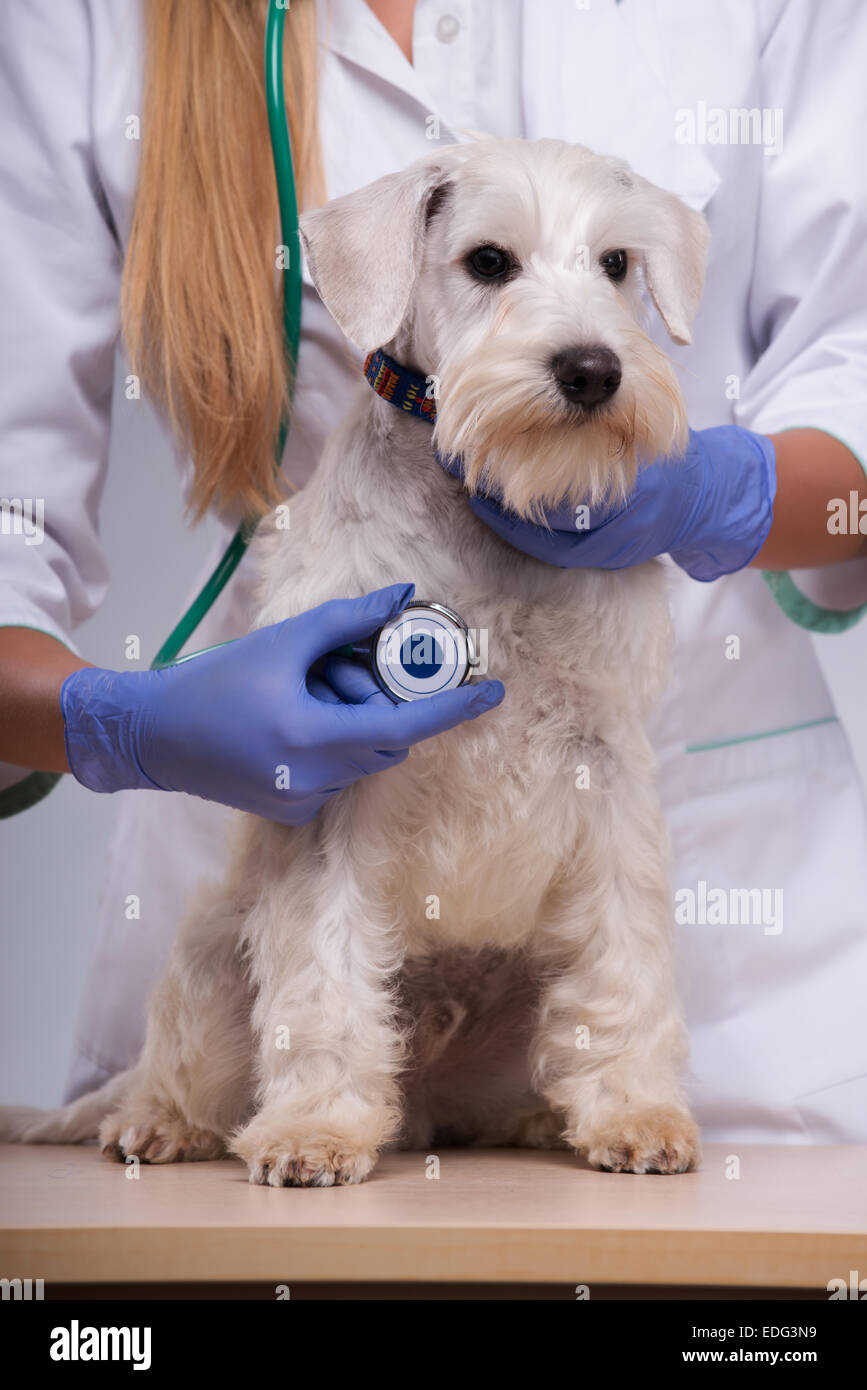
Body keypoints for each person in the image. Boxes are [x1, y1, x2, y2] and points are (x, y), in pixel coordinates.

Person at [1, 0, 866, 1143]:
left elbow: (852, 357)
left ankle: (616, 1069)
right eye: (491, 264)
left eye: (614, 266)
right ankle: (309, 1088)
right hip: (273, 964)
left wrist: (724, 490)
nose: (581, 329)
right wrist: (111, 721)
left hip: (746, 967)